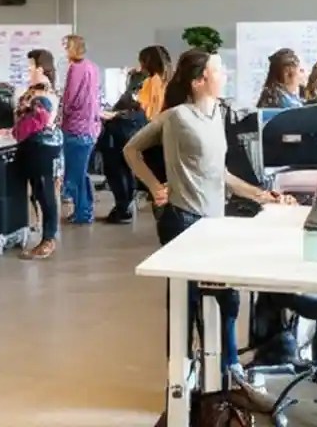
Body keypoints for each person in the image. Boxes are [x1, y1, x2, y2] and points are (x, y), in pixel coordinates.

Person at [123, 50, 293, 385]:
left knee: (227, 298)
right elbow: (131, 150)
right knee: (186, 303)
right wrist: (156, 186)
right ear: (200, 80)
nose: (225, 74)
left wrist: (261, 195)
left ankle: (228, 368)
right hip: (182, 220)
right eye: (219, 70)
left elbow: (220, 174)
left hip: (213, 221)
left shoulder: (218, 114)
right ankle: (181, 375)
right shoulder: (175, 117)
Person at [12, 49, 63, 259]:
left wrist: (13, 132)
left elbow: (34, 123)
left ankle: (48, 239)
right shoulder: (37, 92)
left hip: (41, 148)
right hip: (38, 147)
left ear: (40, 69)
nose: (28, 71)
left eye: (30, 67)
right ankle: (43, 237)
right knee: (39, 192)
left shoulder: (41, 95)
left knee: (44, 193)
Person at [60, 35, 101, 224]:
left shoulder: (75, 69)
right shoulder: (92, 67)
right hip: (90, 127)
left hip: (76, 127)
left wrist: (63, 110)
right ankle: (83, 209)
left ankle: (83, 212)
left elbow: (71, 98)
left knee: (75, 175)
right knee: (81, 172)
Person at [99, 70, 148, 224]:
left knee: (118, 174)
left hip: (117, 141)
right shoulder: (141, 98)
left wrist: (113, 116)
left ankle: (123, 207)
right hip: (131, 140)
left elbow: (120, 115)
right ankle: (124, 205)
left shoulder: (131, 97)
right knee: (125, 173)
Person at [135, 45, 172, 120]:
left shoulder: (151, 82)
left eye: (141, 62)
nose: (140, 68)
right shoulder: (171, 81)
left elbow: (146, 111)